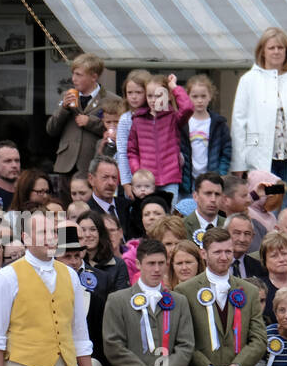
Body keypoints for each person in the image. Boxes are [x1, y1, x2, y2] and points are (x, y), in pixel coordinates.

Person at [0, 212, 96, 366]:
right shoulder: (7, 276)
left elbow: (79, 332)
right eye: (43, 232)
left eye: (54, 232)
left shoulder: (71, 275)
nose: (51, 238)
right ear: (26, 238)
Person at [175, 227, 268, 366]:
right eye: (217, 252)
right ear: (203, 254)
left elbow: (259, 339)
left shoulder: (249, 291)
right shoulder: (184, 291)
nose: (224, 257)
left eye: (228, 252)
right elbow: (183, 340)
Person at [230, 27, 287, 197]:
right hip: (258, 157)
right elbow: (239, 124)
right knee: (263, 203)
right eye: (271, 48)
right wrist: (238, 164)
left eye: (280, 48)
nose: (276, 52)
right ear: (262, 51)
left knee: (281, 202)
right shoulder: (249, 80)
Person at [102, 238, 195, 366]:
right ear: (138, 264)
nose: (157, 269)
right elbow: (113, 345)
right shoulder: (117, 300)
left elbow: (186, 344)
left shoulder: (180, 301)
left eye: (161, 263)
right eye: (151, 263)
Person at [46, 53, 115, 185]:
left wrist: (90, 122)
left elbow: (116, 131)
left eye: (79, 75)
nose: (73, 79)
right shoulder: (66, 96)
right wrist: (64, 109)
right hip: (66, 165)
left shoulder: (112, 100)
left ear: (94, 76)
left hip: (92, 164)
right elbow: (51, 129)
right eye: (73, 74)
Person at [126, 74, 195, 203]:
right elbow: (132, 151)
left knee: (167, 215)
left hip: (170, 178)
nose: (153, 100)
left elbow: (188, 108)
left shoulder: (173, 117)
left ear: (168, 96)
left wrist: (174, 87)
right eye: (150, 96)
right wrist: (138, 171)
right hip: (146, 182)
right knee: (148, 214)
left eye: (158, 95)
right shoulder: (138, 119)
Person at [183, 173, 227, 241]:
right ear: (195, 196)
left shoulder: (229, 226)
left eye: (217, 194)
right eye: (208, 193)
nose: (213, 199)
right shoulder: (182, 226)